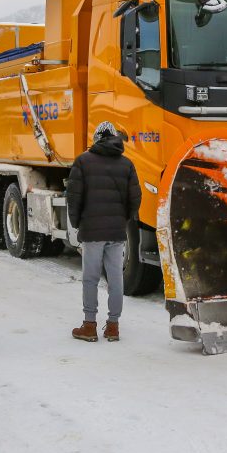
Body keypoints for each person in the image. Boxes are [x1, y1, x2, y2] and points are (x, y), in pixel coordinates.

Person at [66, 121, 141, 343]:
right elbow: (135, 199)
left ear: (97, 138)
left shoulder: (83, 161)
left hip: (91, 230)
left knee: (90, 278)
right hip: (117, 231)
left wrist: (77, 222)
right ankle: (113, 326)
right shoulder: (127, 164)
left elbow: (74, 197)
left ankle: (89, 325)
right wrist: (122, 219)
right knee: (116, 278)